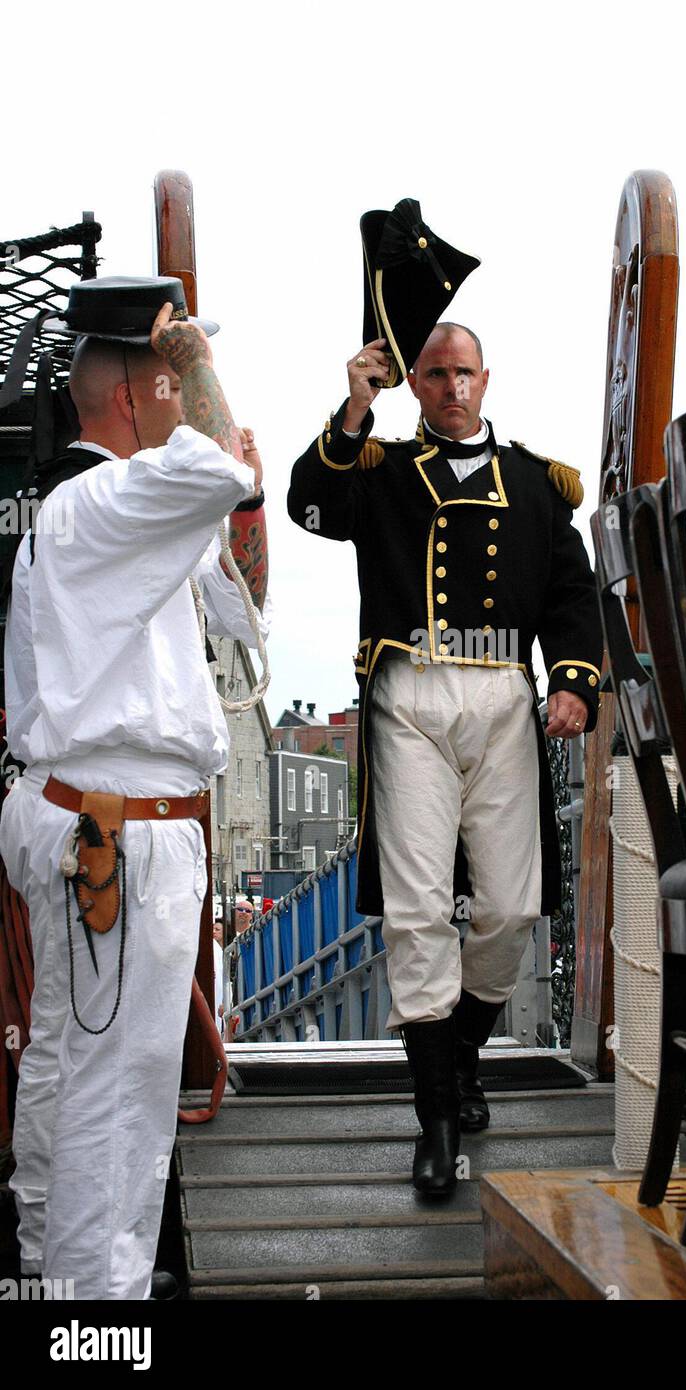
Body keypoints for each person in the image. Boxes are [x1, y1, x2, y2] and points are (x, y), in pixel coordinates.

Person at [0, 276, 269, 1299]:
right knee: (119, 1104)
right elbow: (221, 471)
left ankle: (48, 1274)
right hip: (117, 831)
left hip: (91, 819)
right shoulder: (106, 499)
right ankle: (92, 1313)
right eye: (169, 380)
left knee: (75, 1076)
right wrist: (196, 359)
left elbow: (244, 605)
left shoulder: (97, 511)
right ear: (137, 396)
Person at [287, 322, 602, 1195]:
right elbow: (307, 505)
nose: (452, 388)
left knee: (509, 906)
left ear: (486, 379)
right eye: (435, 375)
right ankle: (433, 1117)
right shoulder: (379, 471)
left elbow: (573, 592)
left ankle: (460, 1052)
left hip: (503, 694)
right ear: (414, 384)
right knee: (419, 911)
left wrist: (573, 679)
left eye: (464, 373)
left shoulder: (540, 485)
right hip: (411, 694)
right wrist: (354, 408)